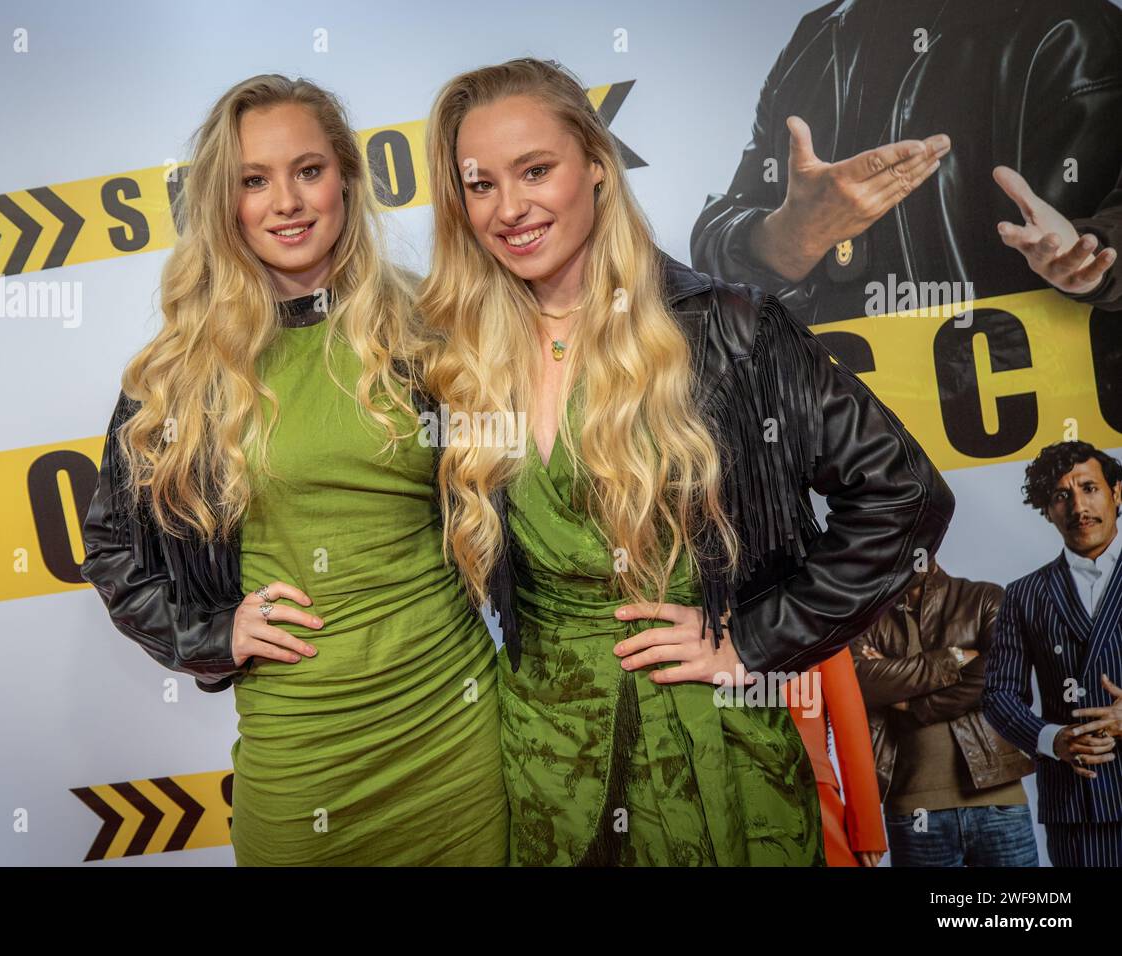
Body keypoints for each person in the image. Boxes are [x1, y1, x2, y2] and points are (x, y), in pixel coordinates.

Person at [417, 57, 954, 866]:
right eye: (480, 184)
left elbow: (905, 495)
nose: (510, 208)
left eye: (536, 170)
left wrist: (753, 643)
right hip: (545, 761)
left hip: (717, 749)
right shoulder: (453, 358)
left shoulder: (728, 327)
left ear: (596, 169)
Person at [79, 74, 507, 866]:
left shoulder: (427, 333)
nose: (288, 201)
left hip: (458, 737)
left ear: (345, 177)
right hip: (301, 751)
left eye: (308, 170)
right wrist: (216, 633)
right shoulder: (185, 373)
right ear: (225, 203)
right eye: (254, 180)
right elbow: (111, 550)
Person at [691, 0, 1122, 325]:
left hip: (1013, 418)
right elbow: (714, 259)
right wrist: (792, 236)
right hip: (842, 420)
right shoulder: (815, 39)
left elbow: (1101, 239)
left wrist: (1092, 261)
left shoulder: (1072, 29)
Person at [983, 441, 1122, 866]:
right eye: (1062, 496)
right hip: (1076, 802)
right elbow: (999, 696)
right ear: (1047, 510)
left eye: (1090, 488)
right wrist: (1053, 739)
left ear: (1117, 493)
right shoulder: (1025, 594)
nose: (1079, 506)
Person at [851, 560, 1037, 866]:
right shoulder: (866, 620)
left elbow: (1000, 678)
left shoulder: (985, 598)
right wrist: (955, 658)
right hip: (914, 811)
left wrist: (911, 702)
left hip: (999, 804)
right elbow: (861, 683)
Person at [782, 648, 887, 867]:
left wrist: (868, 830)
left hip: (810, 790)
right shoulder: (820, 618)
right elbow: (851, 722)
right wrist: (868, 830)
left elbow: (850, 723)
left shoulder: (820, 619)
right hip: (737, 790)